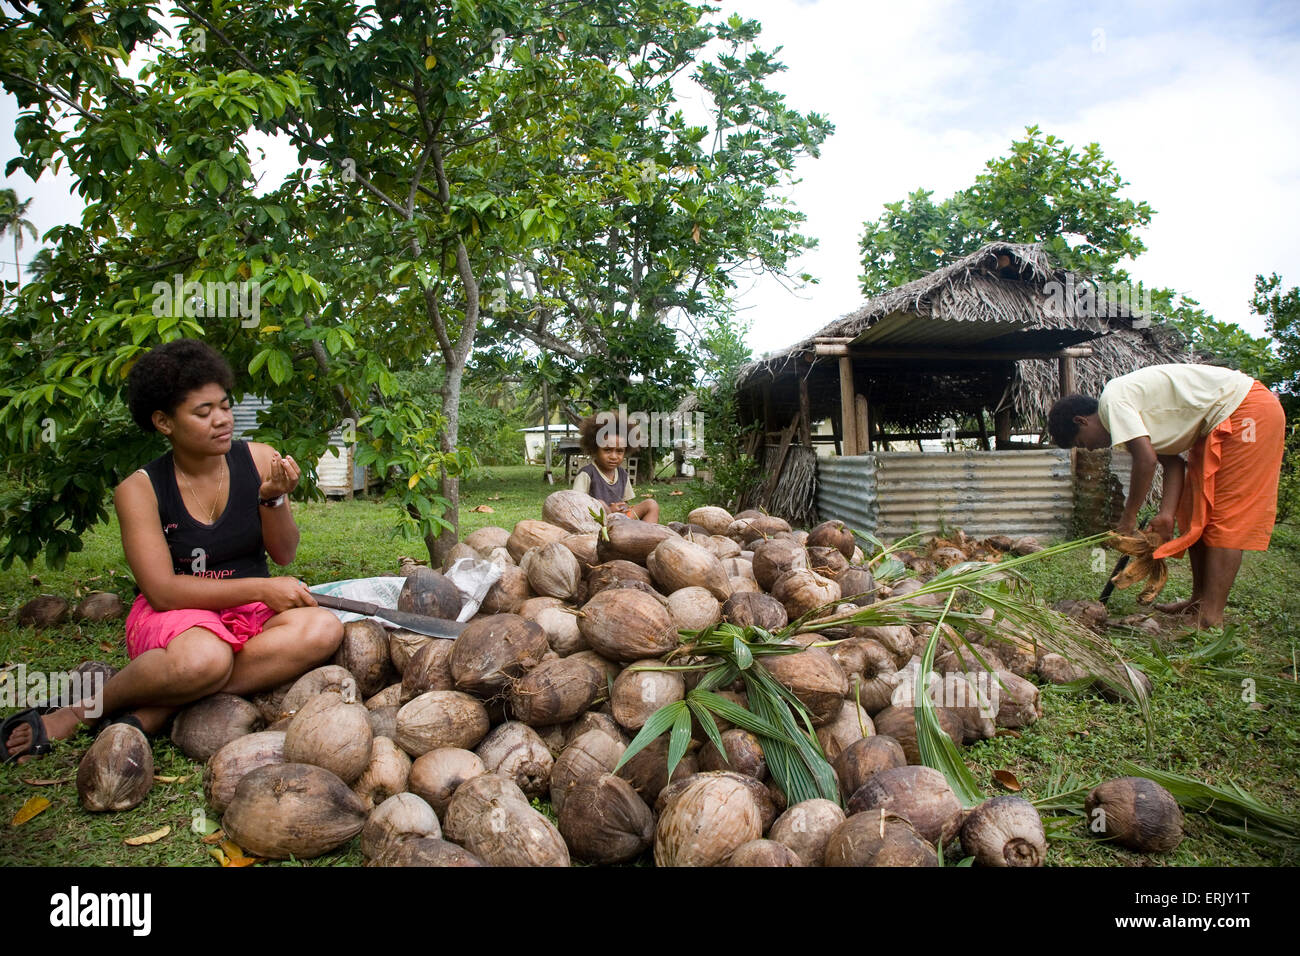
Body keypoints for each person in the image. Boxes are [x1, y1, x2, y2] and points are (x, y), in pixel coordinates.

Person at [3, 339, 343, 763]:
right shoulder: (139, 489)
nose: (222, 420)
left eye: (224, 405)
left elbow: (284, 554)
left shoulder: (259, 460)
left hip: (249, 613)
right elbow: (162, 591)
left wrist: (271, 499)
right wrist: (260, 588)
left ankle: (162, 706)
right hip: (177, 618)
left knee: (323, 629)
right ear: (164, 422)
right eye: (203, 412)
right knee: (204, 658)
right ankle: (82, 712)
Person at [1047, 363, 1285, 629]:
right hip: (1218, 421)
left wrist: (1129, 517)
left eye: (1081, 442)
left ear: (1082, 421)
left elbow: (1146, 461)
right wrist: (1166, 515)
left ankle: (1210, 616)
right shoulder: (1128, 419)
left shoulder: (1112, 402)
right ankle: (1198, 601)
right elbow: (1173, 465)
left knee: (1224, 518)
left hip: (1246, 412)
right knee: (1198, 515)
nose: (1089, 448)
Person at [571, 414, 660, 523]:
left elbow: (625, 502)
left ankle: (647, 536)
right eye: (607, 450)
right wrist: (608, 510)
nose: (613, 456)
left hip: (620, 520)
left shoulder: (622, 474)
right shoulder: (587, 474)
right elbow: (577, 505)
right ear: (595, 449)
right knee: (600, 504)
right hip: (596, 521)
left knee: (651, 504)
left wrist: (623, 508)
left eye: (619, 451)